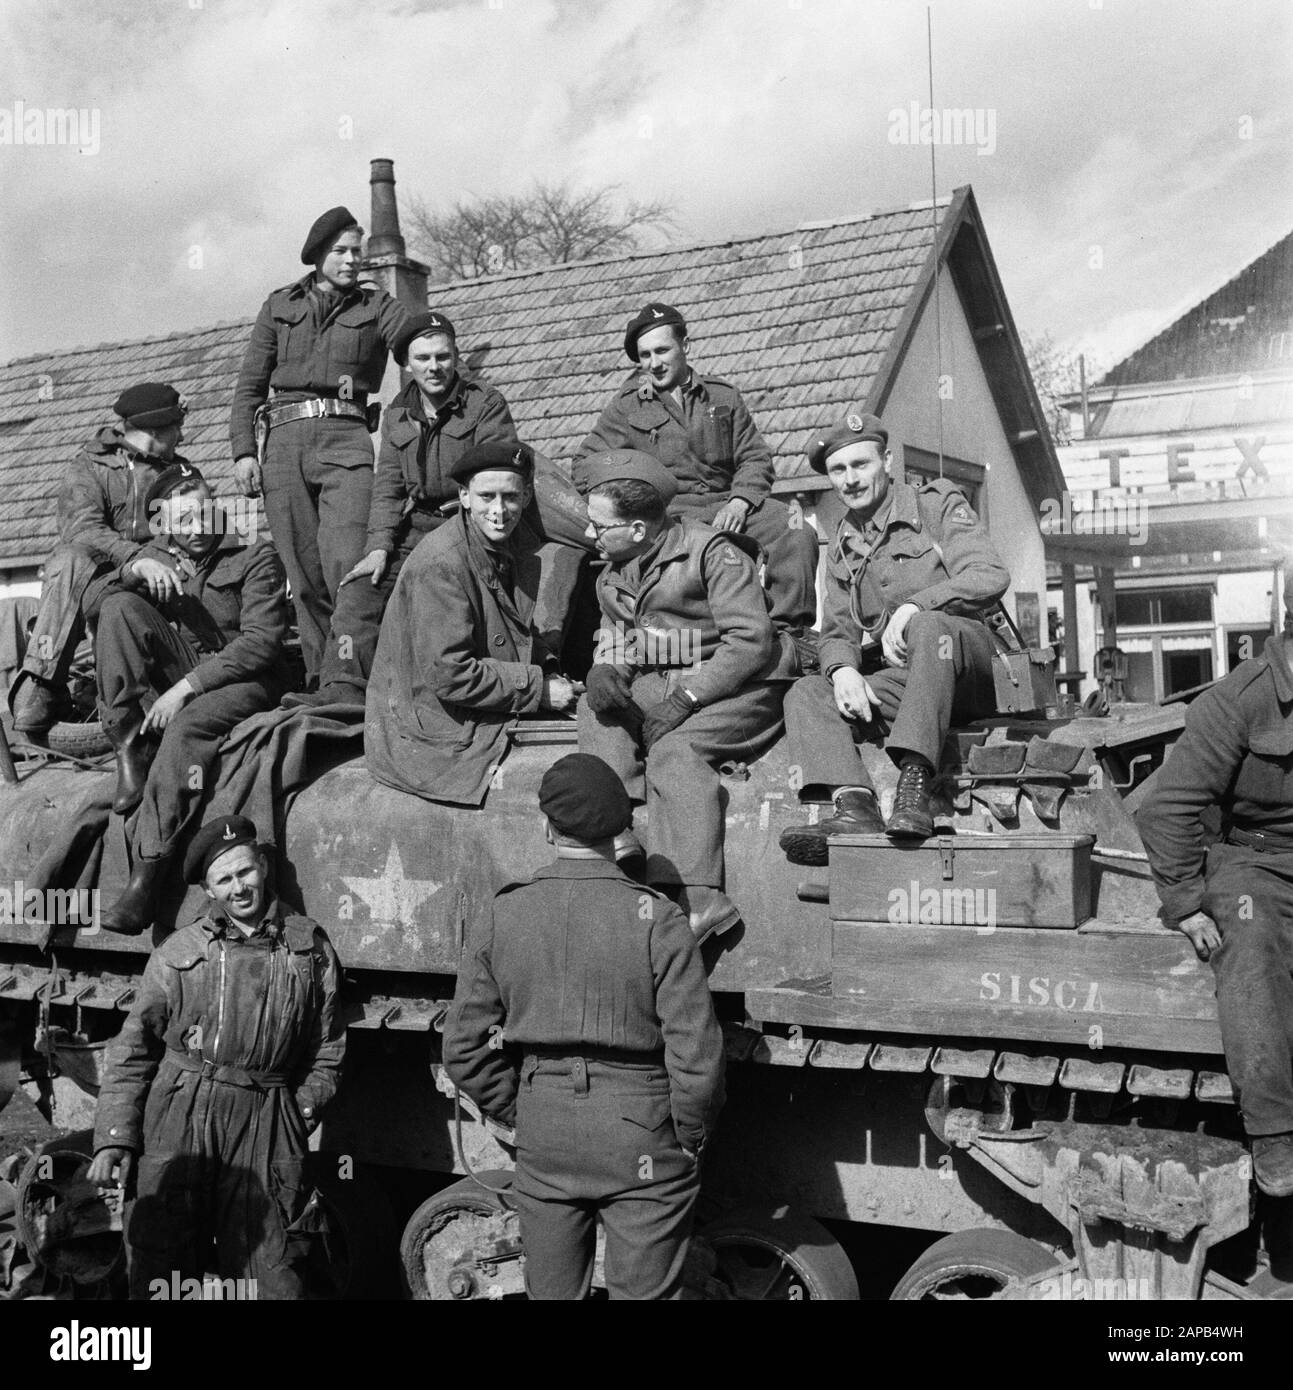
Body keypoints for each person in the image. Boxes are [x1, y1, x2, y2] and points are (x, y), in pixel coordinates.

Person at [443, 752, 724, 1300]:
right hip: (641, 1132)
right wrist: (688, 1138)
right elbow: (696, 1056)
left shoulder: (506, 912)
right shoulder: (658, 917)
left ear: (548, 827)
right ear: (621, 830)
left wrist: (520, 1110)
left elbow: (464, 1047)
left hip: (545, 1129)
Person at [88, 815, 345, 1300]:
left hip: (266, 1120)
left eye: (245, 872)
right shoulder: (180, 952)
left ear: (264, 866)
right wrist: (114, 1137)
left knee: (275, 1272)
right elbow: (135, 1048)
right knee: (160, 1264)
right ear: (208, 888)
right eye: (224, 879)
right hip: (181, 1114)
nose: (239, 887)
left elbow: (326, 1050)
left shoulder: (310, 949)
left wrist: (297, 1112)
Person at [293, 310, 588, 704]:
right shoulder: (398, 411)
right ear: (407, 364)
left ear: (455, 356)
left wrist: (472, 516)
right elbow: (388, 486)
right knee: (361, 591)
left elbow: (497, 475)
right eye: (423, 359)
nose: (434, 367)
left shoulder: (484, 404)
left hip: (472, 522)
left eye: (443, 357)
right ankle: (342, 693)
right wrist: (378, 547)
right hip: (416, 523)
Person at [576, 450, 788, 943]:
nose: (590, 536)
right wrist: (605, 668)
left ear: (637, 529)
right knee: (599, 712)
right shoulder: (613, 570)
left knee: (676, 751)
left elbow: (750, 642)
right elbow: (619, 636)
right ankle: (617, 829)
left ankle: (702, 898)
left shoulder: (712, 552)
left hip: (741, 684)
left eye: (599, 527)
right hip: (661, 680)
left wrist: (687, 697)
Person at [778, 411, 1009, 859]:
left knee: (928, 625)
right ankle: (855, 805)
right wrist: (843, 669)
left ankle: (915, 784)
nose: (850, 480)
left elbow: (990, 574)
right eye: (838, 471)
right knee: (807, 691)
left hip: (970, 672)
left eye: (861, 465)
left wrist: (916, 605)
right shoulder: (843, 543)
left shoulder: (935, 505)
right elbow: (837, 629)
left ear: (886, 460)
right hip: (913, 682)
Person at [1137, 575, 1293, 1197]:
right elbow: (1166, 808)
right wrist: (1182, 902)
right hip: (1252, 865)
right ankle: (1276, 1132)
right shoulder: (1240, 698)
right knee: (1249, 942)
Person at [90, 464, 291, 935]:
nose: (198, 528)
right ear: (162, 524)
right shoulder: (156, 554)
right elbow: (93, 601)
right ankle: (128, 748)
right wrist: (134, 566)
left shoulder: (252, 551)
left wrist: (184, 690)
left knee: (187, 727)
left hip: (246, 679)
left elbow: (261, 643)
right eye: (183, 522)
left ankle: (147, 874)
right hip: (187, 666)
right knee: (118, 605)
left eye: (204, 514)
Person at [229, 205, 409, 686]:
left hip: (345, 440)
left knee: (347, 567)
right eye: (342, 252)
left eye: (358, 252)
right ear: (317, 255)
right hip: (283, 446)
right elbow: (250, 385)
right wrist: (245, 451)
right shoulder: (279, 306)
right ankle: (320, 683)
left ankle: (354, 681)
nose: (353, 261)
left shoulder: (377, 307)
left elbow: (412, 341)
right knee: (304, 579)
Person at [573, 302, 819, 644]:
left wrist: (740, 502)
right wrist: (634, 496)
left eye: (662, 350)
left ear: (685, 346)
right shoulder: (628, 406)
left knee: (796, 527)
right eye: (645, 356)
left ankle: (788, 631)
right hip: (673, 517)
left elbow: (755, 457)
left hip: (729, 505)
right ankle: (702, 640)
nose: (654, 363)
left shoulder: (722, 397)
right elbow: (585, 465)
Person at [365, 441, 582, 806]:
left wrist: (547, 670)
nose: (499, 511)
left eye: (511, 497)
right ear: (464, 497)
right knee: (567, 779)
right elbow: (451, 675)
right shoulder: (442, 564)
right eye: (486, 497)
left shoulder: (503, 546)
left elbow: (514, 628)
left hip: (478, 701)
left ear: (527, 497)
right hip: (433, 725)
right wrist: (538, 690)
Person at [8, 383, 188, 738]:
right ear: (155, 430)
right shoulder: (89, 467)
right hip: (98, 583)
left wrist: (156, 559)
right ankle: (43, 685)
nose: (182, 436)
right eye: (176, 428)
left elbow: (202, 531)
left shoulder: (180, 474)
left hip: (156, 588)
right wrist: (135, 559)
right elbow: (82, 530)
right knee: (69, 556)